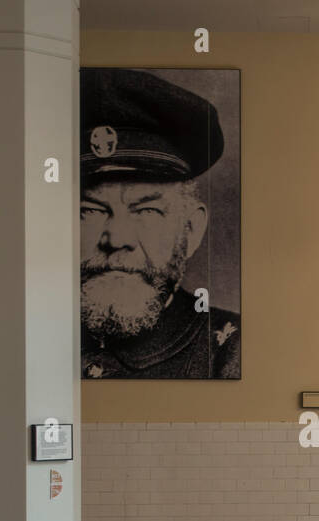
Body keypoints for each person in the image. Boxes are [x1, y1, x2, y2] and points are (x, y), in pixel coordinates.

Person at [79, 69, 240, 379]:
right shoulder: (24, 339)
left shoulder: (231, 353)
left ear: (191, 230)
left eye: (147, 212)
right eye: (90, 211)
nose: (117, 238)